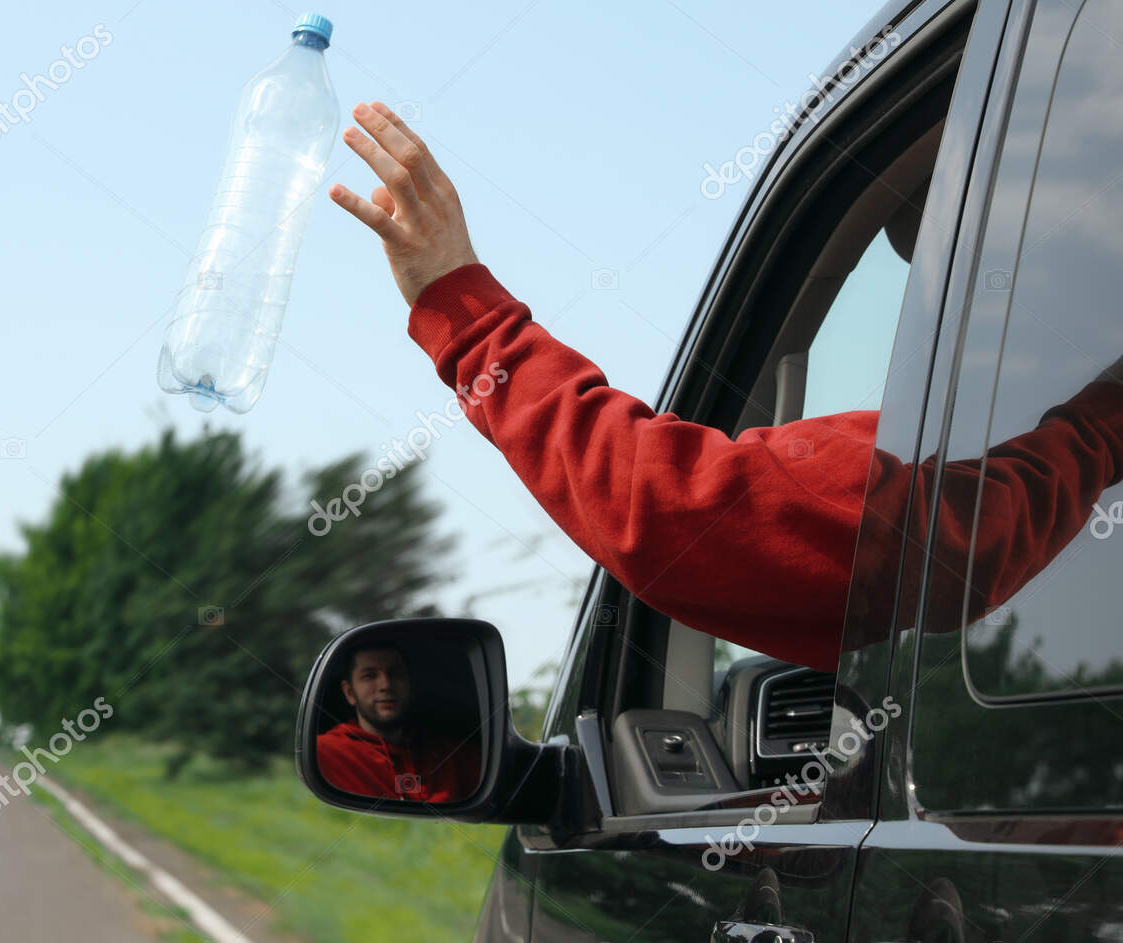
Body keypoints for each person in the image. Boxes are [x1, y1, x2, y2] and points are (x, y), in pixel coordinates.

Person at [326, 102, 1123, 672]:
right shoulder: (1054, 440)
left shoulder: (1052, 450)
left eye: (967, 247)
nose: (948, 297)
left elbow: (678, 511)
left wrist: (466, 314)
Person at [316, 641, 481, 802]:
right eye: (370, 675)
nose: (386, 685)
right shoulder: (325, 752)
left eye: (395, 674)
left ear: (410, 685)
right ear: (349, 692)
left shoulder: (454, 756)